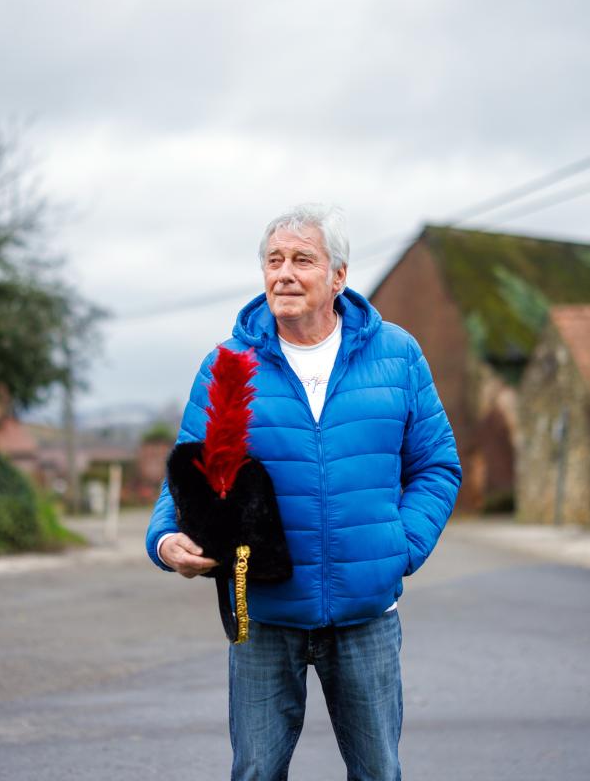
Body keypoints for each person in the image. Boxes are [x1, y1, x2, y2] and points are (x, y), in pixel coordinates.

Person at [146, 203, 461, 780]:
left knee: (377, 773)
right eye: (273, 261)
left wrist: (401, 545)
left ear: (338, 276)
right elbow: (189, 475)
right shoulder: (229, 366)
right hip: (263, 614)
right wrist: (166, 537)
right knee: (256, 772)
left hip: (366, 616)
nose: (284, 273)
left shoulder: (397, 355)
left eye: (302, 260)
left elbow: (437, 466)